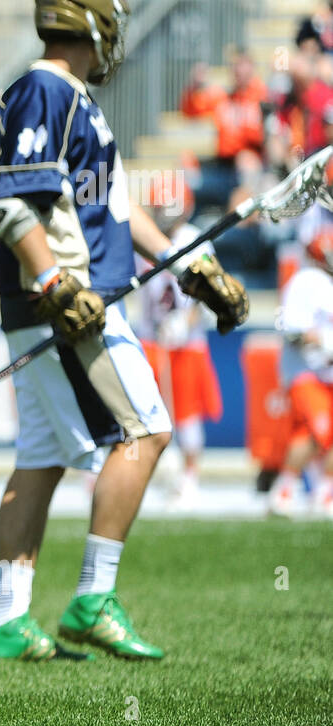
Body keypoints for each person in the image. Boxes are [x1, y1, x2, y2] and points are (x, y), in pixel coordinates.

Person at [0, 0, 249, 662]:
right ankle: (92, 598)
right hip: (71, 303)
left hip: (53, 299)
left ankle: (7, 623)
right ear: (94, 25)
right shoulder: (45, 90)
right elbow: (15, 206)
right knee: (149, 429)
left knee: (39, 458)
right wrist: (55, 286)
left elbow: (118, 214)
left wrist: (188, 266)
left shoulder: (68, 98)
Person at [136, 178, 223, 510]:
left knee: (186, 415)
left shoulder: (194, 241)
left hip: (187, 341)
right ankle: (156, 476)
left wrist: (185, 322)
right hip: (151, 337)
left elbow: (210, 291)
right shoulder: (144, 239)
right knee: (147, 412)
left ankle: (190, 476)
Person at [270, 232, 333, 518]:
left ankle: (320, 491)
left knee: (314, 433)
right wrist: (322, 340)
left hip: (325, 372)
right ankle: (285, 488)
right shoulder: (305, 281)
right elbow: (291, 329)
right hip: (305, 371)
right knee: (319, 430)